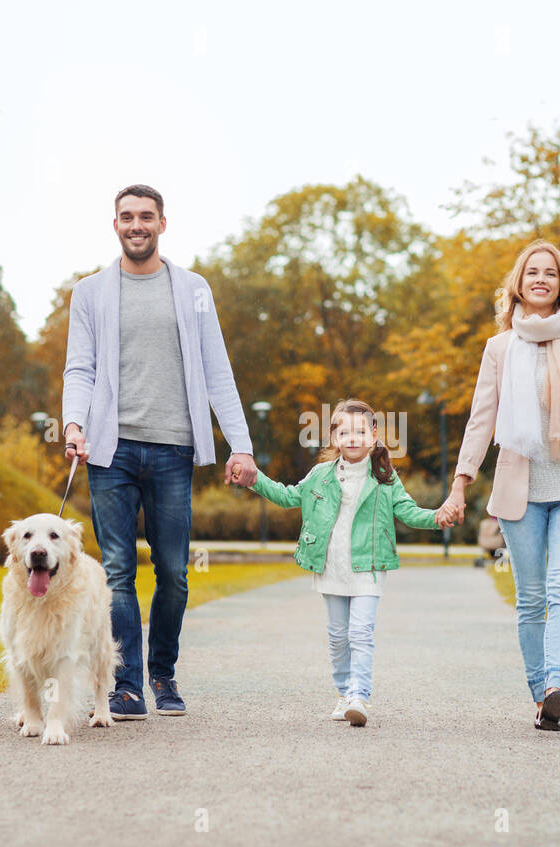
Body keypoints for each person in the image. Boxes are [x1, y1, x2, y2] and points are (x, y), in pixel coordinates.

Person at [62, 184, 257, 720]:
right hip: (109, 449)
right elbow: (80, 366)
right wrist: (74, 424)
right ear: (116, 224)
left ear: (162, 224)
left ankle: (163, 673)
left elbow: (217, 370)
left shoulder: (193, 289)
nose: (136, 225)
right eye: (126, 217)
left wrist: (240, 445)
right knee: (119, 570)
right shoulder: (91, 292)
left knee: (172, 571)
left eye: (146, 216)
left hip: (173, 447)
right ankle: (126, 686)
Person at [440, 240, 560, 733]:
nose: (541, 279)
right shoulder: (500, 349)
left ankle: (555, 686)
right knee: (530, 598)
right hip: (520, 491)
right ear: (519, 284)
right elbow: (481, 421)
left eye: (551, 273)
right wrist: (460, 484)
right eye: (532, 272)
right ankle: (541, 697)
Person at [230, 399, 454, 727]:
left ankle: (359, 695)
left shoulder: (385, 478)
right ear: (334, 437)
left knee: (360, 632)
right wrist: (254, 479)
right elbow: (288, 496)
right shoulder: (320, 476)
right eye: (344, 431)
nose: (352, 438)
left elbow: (408, 511)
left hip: (370, 565)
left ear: (374, 435)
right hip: (331, 566)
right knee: (338, 635)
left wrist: (437, 517)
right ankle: (343, 692)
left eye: (360, 431)